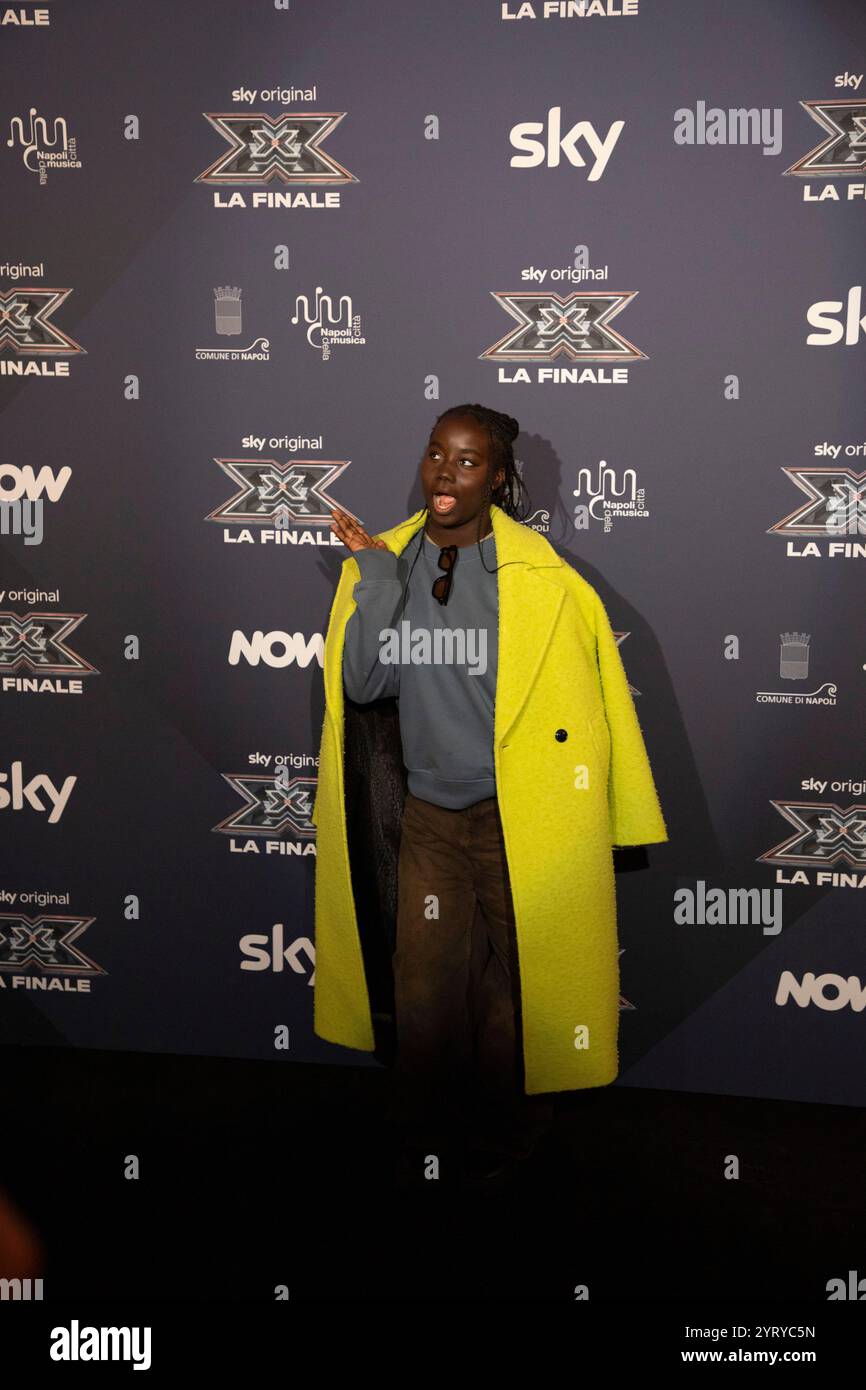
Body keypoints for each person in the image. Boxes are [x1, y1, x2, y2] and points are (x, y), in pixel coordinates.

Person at [311, 402, 669, 1186]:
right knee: (425, 986)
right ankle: (423, 1134)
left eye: (468, 461)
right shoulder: (389, 562)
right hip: (431, 821)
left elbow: (591, 704)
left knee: (520, 990)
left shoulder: (540, 579)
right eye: (437, 454)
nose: (445, 472)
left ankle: (512, 1135)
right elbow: (368, 682)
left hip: (521, 822)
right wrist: (372, 577)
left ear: (498, 478)